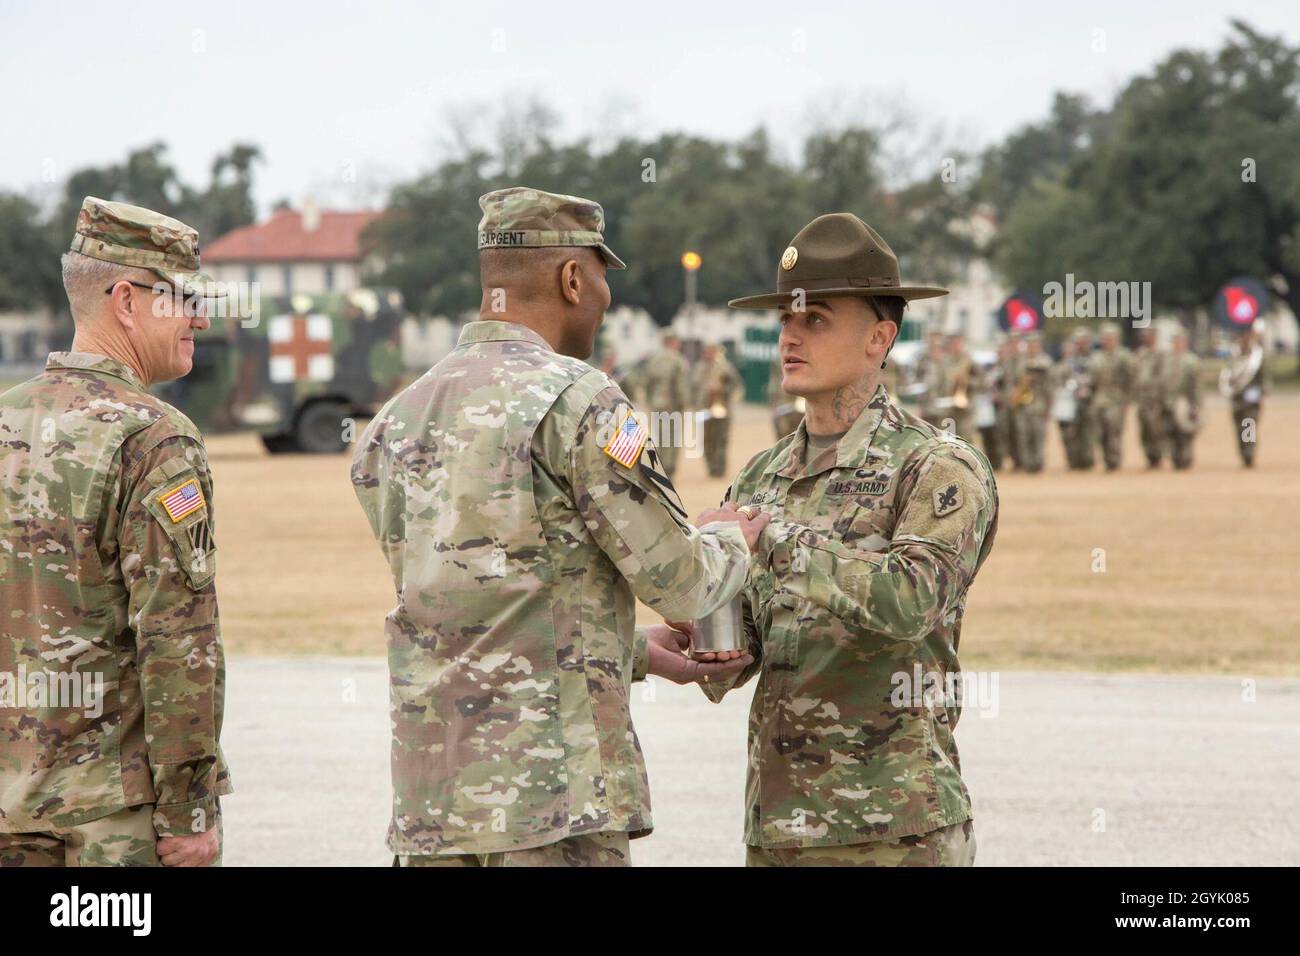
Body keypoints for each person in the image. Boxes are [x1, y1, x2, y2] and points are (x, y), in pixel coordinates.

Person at [350, 186, 767, 867]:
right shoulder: (581, 400)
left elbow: (476, 607)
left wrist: (635, 652)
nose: (605, 297)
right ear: (574, 279)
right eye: (602, 277)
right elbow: (683, 584)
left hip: (435, 809)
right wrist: (728, 537)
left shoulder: (397, 420)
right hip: (552, 809)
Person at [700, 212, 999, 867]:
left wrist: (775, 542)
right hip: (779, 830)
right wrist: (703, 615)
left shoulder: (935, 466)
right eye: (784, 320)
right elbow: (742, 651)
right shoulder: (762, 473)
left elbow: (914, 601)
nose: (789, 337)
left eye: (815, 319)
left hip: (893, 832)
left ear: (878, 337)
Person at [0, 197, 231, 868]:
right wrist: (190, 810)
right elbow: (178, 639)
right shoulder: (151, 437)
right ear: (126, 302)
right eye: (183, 298)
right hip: (108, 825)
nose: (201, 317)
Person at [640, 331, 693, 478]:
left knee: (660, 437)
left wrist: (650, 401)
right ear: (673, 342)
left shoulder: (654, 360)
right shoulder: (678, 360)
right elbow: (681, 385)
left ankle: (660, 468)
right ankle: (669, 470)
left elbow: (647, 384)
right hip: (672, 405)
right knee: (673, 438)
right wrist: (684, 404)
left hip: (657, 405)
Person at [1220, 321, 1268, 468]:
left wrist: (1258, 392)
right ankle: (1243, 454)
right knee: (1239, 429)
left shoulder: (1257, 356)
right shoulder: (1234, 354)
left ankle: (1249, 455)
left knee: (1249, 427)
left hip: (1251, 401)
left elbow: (1264, 381)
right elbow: (1228, 374)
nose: (1246, 338)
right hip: (1237, 398)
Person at [1088, 322, 1136, 471]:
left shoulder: (1124, 357)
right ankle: (1106, 459)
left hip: (1116, 400)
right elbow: (1092, 380)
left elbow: (1131, 379)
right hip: (1099, 401)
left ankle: (1114, 461)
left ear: (1117, 338)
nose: (1107, 341)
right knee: (1100, 433)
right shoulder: (1096, 357)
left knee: (1114, 432)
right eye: (1104, 338)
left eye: (1110, 338)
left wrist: (1126, 400)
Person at [694, 342, 743, 478]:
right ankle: (711, 468)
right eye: (707, 351)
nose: (708, 354)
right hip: (704, 409)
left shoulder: (725, 367)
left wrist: (723, 390)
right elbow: (693, 387)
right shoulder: (699, 368)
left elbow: (737, 386)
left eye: (711, 351)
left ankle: (719, 470)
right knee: (706, 440)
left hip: (722, 407)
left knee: (720, 439)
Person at [1010, 332, 1052, 473]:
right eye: (1029, 344)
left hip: (1039, 404)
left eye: (1034, 344)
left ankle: (1038, 463)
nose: (1031, 347)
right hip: (1023, 405)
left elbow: (1050, 387)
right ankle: (1027, 464)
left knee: (1038, 435)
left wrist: (1048, 408)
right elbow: (1014, 381)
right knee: (1023, 435)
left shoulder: (1045, 362)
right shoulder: (1020, 362)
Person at [1162, 328, 1200, 469]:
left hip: (1184, 402)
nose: (1177, 344)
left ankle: (1186, 460)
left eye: (1179, 341)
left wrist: (1196, 405)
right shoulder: (1167, 360)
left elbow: (1196, 387)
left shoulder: (1191, 361)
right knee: (1170, 432)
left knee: (1185, 433)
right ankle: (1175, 459)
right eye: (1175, 341)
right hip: (1169, 402)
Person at [1133, 327, 1167, 468]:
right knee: (1144, 429)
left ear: (1155, 337)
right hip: (1142, 398)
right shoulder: (1140, 354)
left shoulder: (1161, 355)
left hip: (1155, 399)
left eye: (1149, 335)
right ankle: (1149, 457)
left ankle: (1157, 457)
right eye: (1144, 336)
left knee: (1155, 429)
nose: (1146, 338)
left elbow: (1164, 377)